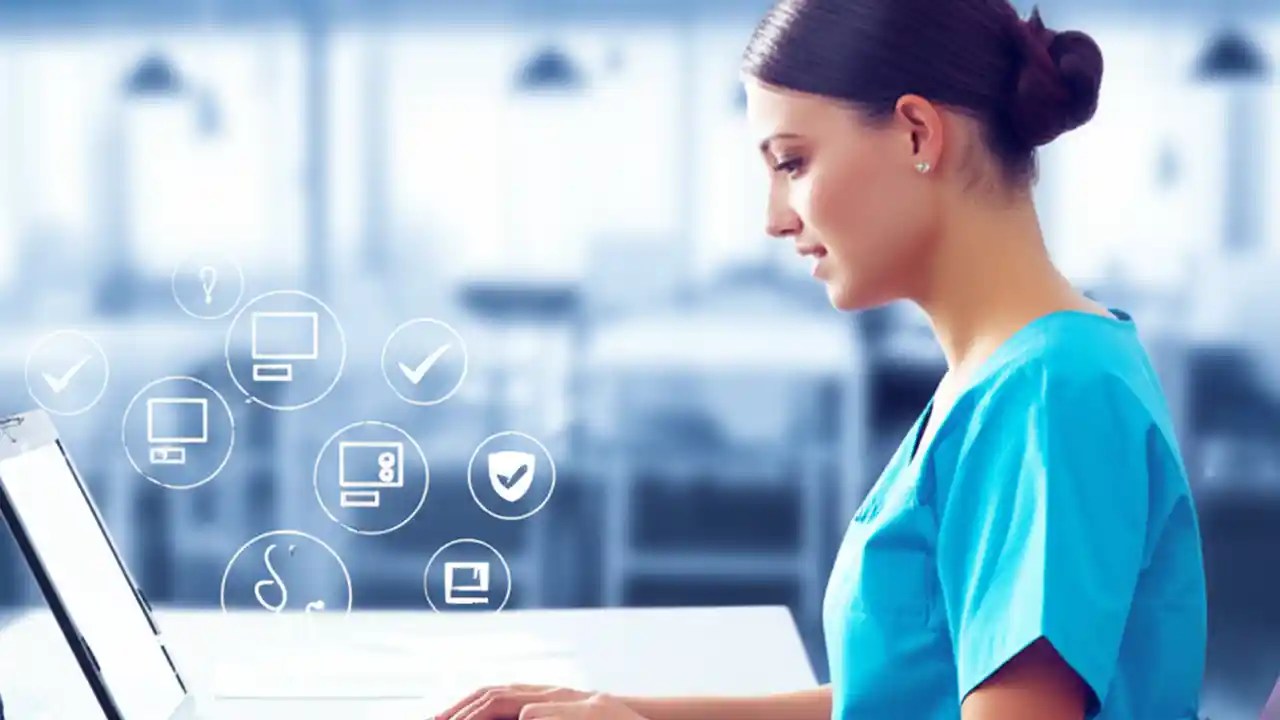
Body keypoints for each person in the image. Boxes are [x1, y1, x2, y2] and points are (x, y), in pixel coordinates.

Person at [432, 0, 1208, 717]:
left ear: (916, 134)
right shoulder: (1009, 378)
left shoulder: (1050, 397)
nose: (774, 218)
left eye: (792, 162)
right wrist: (625, 709)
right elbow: (899, 699)